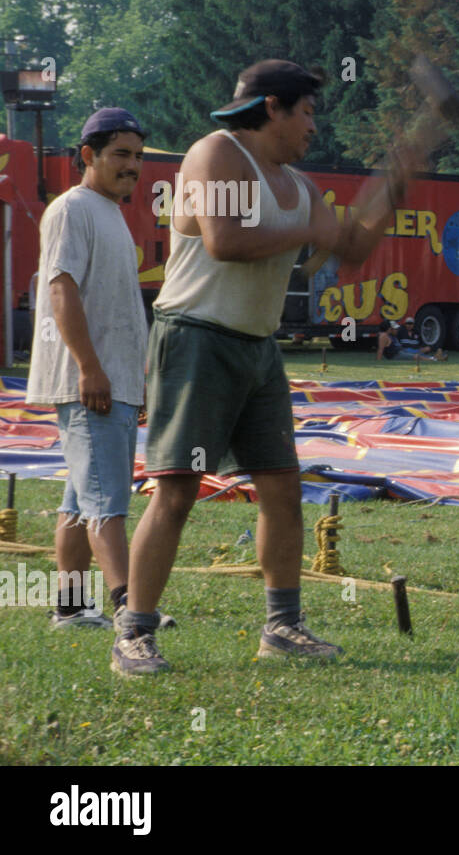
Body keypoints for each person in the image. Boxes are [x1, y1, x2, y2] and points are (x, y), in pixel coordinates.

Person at [111, 60, 418, 675]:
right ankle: (134, 632)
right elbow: (225, 240)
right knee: (176, 489)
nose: (312, 126)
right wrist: (307, 227)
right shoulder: (215, 155)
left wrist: (398, 175)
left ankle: (283, 626)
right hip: (195, 339)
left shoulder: (297, 186)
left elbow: (351, 245)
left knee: (280, 487)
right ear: (272, 107)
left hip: (255, 347)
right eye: (306, 112)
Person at [26, 108, 154, 629]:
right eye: (121, 154)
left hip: (113, 380)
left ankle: (72, 607)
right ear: (88, 156)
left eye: (139, 157)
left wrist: (132, 379)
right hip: (91, 382)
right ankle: (131, 608)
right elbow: (61, 288)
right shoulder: (71, 209)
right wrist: (90, 369)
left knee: (80, 501)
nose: (133, 166)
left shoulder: (110, 212)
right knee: (108, 501)